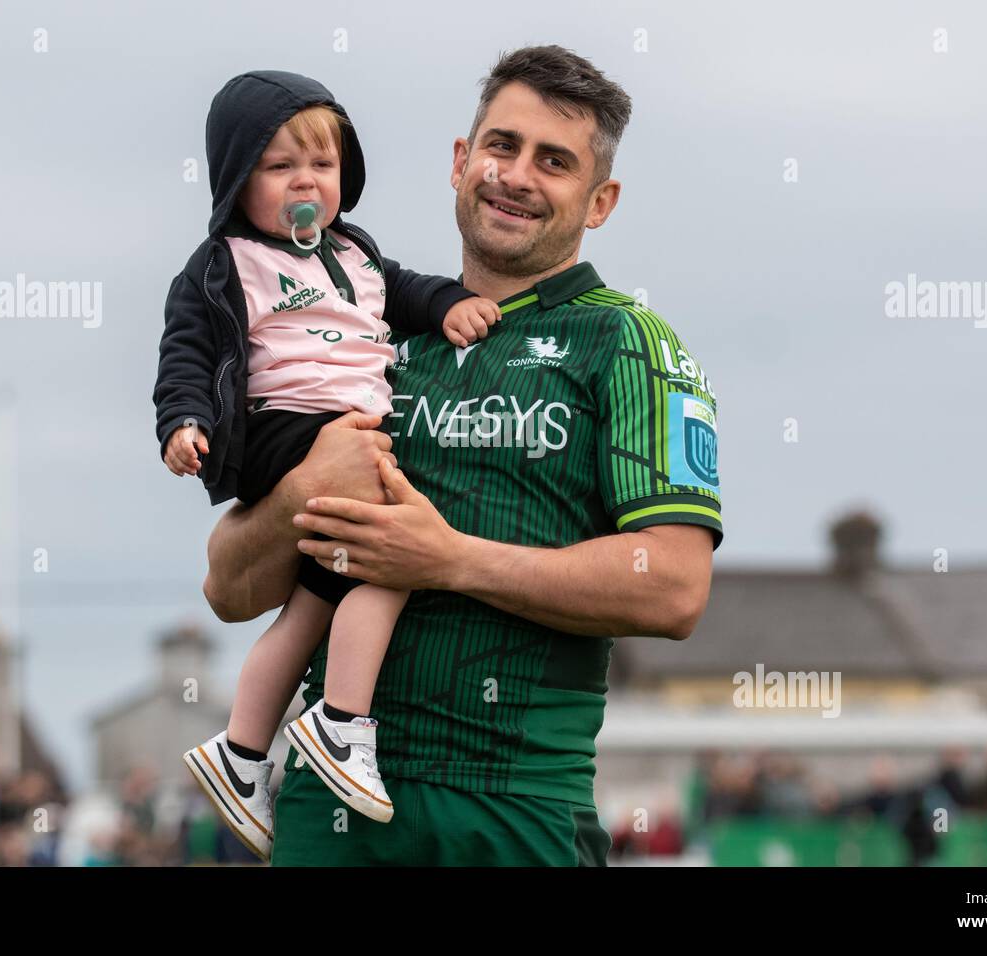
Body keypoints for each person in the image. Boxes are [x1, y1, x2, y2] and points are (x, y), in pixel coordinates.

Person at [203, 45, 723, 866]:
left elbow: (676, 588)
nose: (516, 176)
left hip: (517, 808)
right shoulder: (360, 335)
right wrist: (305, 486)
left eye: (554, 162)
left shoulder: (628, 341)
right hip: (328, 809)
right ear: (460, 161)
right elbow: (230, 586)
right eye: (502, 146)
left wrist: (449, 560)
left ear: (601, 201)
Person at [153, 70, 501, 859]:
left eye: (324, 165)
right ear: (237, 181)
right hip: (284, 428)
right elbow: (187, 352)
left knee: (312, 603)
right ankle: (343, 724)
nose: (307, 181)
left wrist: (447, 305)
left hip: (349, 426)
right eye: (280, 168)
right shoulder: (225, 265)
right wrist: (183, 421)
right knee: (396, 552)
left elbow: (402, 294)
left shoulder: (355, 252)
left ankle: (241, 753)